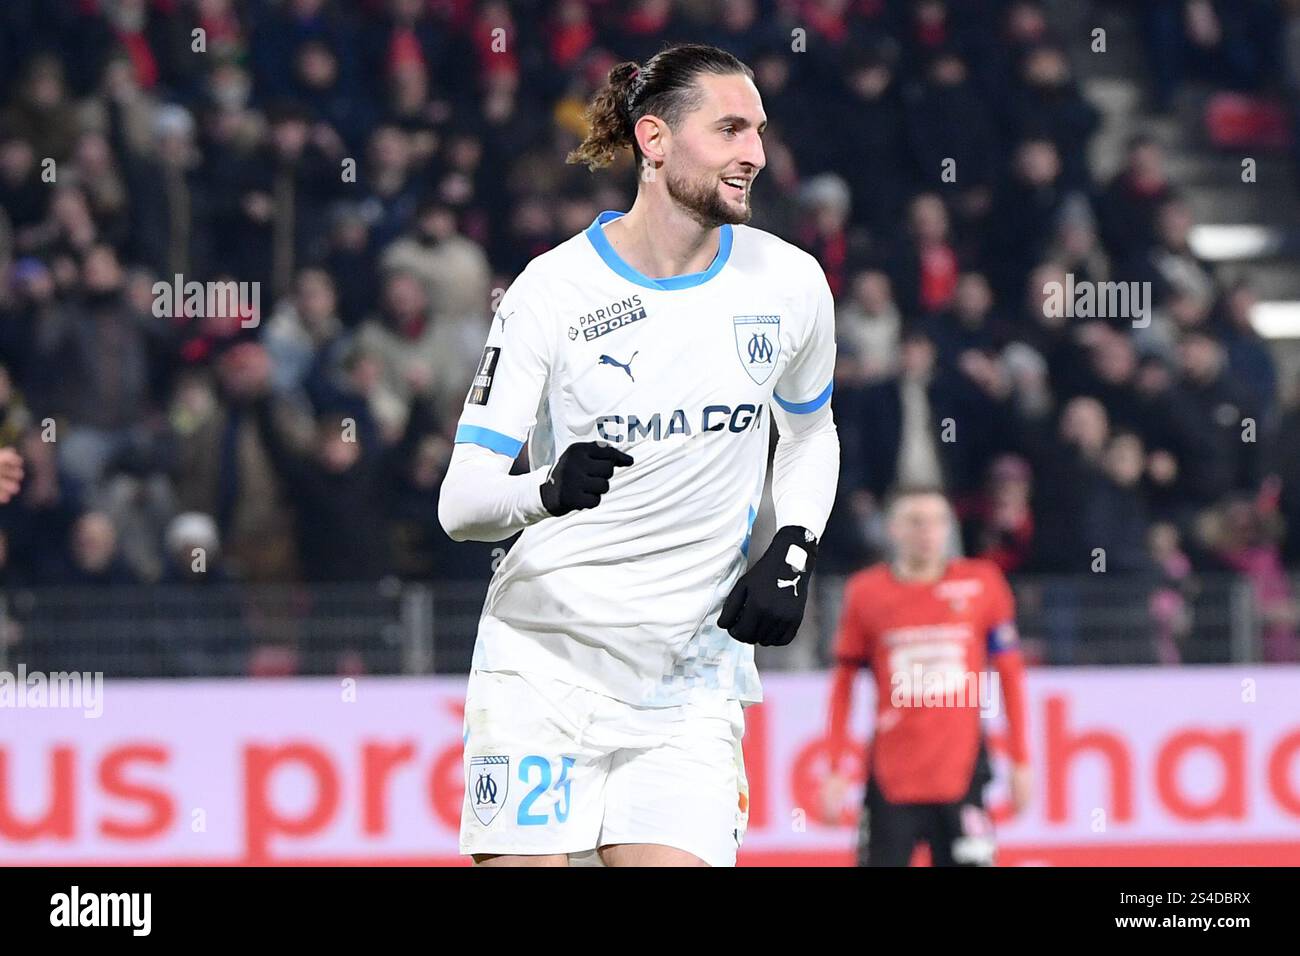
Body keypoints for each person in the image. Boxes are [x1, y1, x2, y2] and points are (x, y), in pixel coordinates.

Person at [438, 44, 839, 867]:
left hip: (691, 681)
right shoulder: (551, 292)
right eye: (730, 129)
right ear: (653, 140)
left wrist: (793, 545)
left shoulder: (791, 284)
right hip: (544, 668)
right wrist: (544, 492)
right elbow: (461, 502)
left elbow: (809, 431)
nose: (755, 154)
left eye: (759, 132)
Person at [820, 487, 1030, 866]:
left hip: (963, 775)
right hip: (891, 778)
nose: (928, 532)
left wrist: (1021, 760)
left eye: (937, 521)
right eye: (916, 522)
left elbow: (1011, 675)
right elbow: (843, 685)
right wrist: (835, 767)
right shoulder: (866, 592)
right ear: (893, 529)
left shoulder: (983, 584)